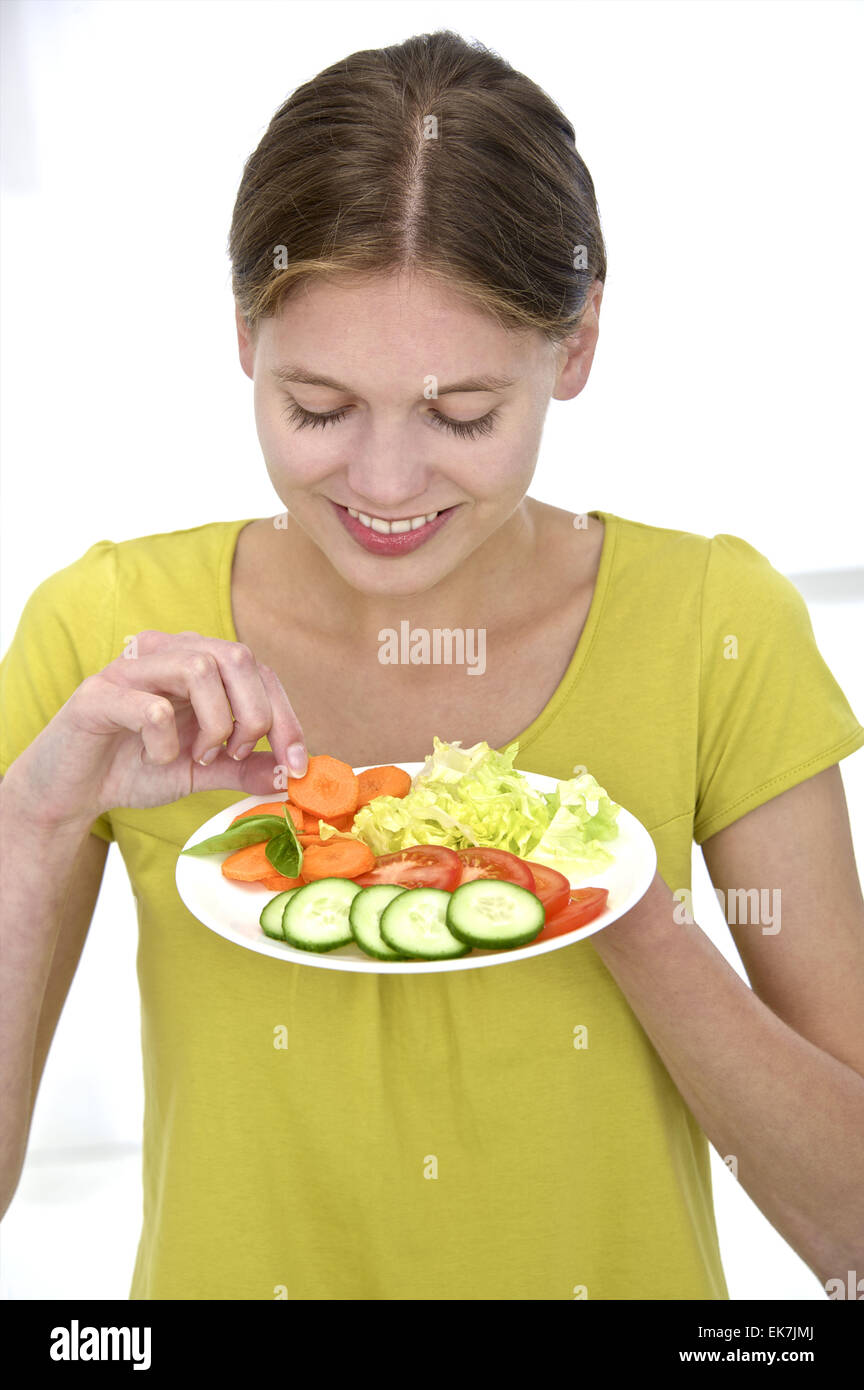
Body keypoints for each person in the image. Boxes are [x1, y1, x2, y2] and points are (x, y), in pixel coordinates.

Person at [2, 29, 863, 1302]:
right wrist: (33, 819)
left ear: (573, 349)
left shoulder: (713, 625)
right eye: (318, 408)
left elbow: (851, 1227)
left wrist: (615, 905)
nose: (387, 486)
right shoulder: (111, 633)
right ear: (245, 339)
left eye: (461, 415)